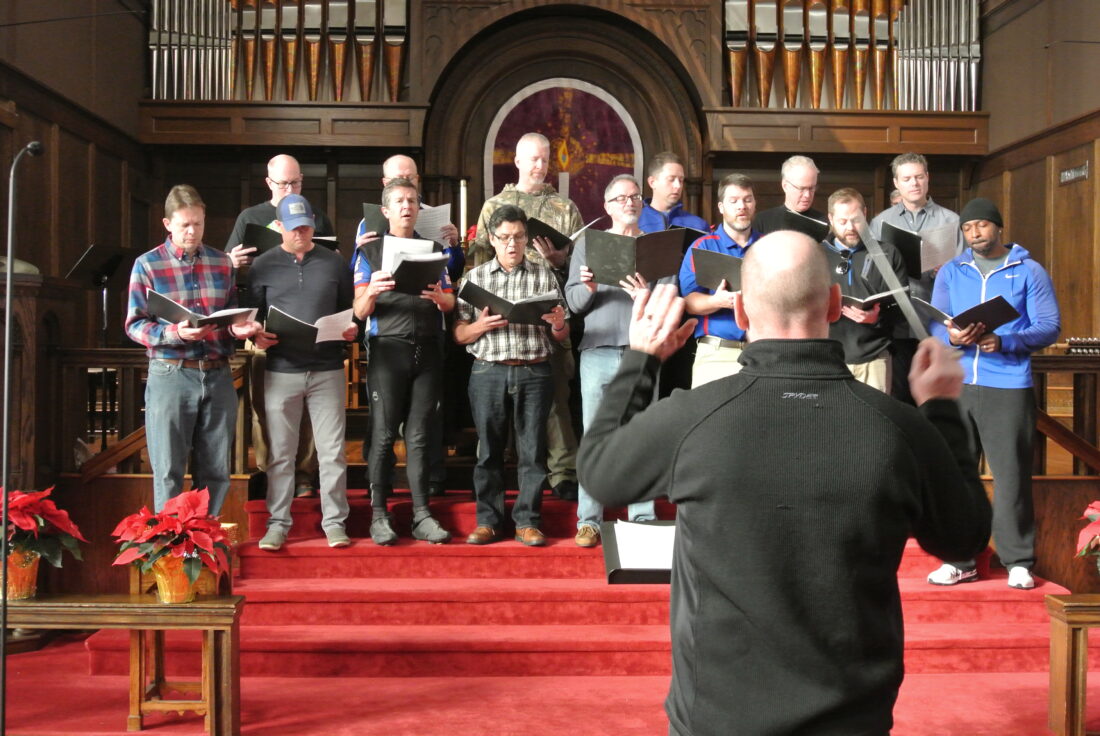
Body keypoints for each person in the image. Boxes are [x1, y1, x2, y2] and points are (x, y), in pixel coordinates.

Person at [578, 232, 991, 736]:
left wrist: (642, 360)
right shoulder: (899, 428)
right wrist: (942, 410)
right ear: (836, 304)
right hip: (852, 717)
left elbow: (599, 471)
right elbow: (963, 538)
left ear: (743, 314)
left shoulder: (692, 418)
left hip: (718, 716)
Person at [926, 198, 1060, 590]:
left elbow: (1049, 326)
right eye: (968, 229)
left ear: (998, 227)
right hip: (959, 382)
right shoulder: (951, 271)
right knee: (957, 475)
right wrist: (950, 334)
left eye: (982, 226)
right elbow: (937, 323)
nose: (975, 234)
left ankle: (1018, 560)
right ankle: (959, 559)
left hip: (1008, 384)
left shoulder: (1028, 270)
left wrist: (1007, 341)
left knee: (1012, 475)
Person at [125, 184, 261, 514]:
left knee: (215, 470)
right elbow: (134, 324)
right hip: (172, 373)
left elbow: (227, 315)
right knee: (169, 471)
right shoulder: (148, 265)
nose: (192, 231)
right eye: (184, 224)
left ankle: (205, 543)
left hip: (217, 373)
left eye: (198, 224)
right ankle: (171, 551)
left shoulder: (220, 262)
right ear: (167, 223)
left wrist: (237, 328)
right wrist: (175, 332)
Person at [470, 132, 583, 501]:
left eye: (545, 159)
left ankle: (562, 471)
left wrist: (560, 263)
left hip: (550, 311)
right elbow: (477, 263)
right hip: (502, 318)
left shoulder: (564, 208)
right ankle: (506, 471)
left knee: (555, 397)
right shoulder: (494, 205)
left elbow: (581, 264)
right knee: (500, 402)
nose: (539, 166)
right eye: (532, 159)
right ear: (516, 161)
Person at [247, 194, 358, 551]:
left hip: (326, 368)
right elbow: (251, 316)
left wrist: (350, 328)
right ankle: (278, 523)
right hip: (281, 369)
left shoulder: (333, 263)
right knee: (281, 453)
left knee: (332, 452)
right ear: (278, 226)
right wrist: (257, 335)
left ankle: (334, 522)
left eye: (307, 226)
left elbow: (347, 311)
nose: (301, 233)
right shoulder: (262, 265)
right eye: (294, 228)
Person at [454, 205, 569, 546]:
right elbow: (458, 335)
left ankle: (528, 522)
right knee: (488, 450)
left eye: (519, 237)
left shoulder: (544, 275)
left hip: (534, 370)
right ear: (492, 239)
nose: (512, 244)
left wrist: (560, 324)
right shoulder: (475, 279)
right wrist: (479, 326)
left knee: (533, 451)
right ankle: (488, 521)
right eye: (505, 238)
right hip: (488, 370)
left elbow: (562, 335)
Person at [354, 154, 465, 497]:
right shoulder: (369, 249)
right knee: (385, 430)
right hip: (388, 345)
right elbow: (359, 311)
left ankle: (423, 505)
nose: (407, 206)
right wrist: (371, 291)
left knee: (420, 431)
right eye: (399, 201)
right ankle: (379, 501)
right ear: (386, 209)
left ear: (419, 207)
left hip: (427, 343)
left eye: (412, 201)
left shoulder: (434, 249)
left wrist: (439, 296)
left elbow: (449, 302)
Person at [226, 154, 334, 498]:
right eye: (283, 184)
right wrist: (233, 262)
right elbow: (228, 266)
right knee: (265, 405)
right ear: (268, 183)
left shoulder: (318, 217)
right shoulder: (251, 217)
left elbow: (331, 264)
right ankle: (271, 470)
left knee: (309, 407)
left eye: (296, 183)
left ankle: (303, 474)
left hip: (309, 320)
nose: (290, 189)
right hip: (264, 322)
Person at [564, 174, 657, 548]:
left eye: (635, 197)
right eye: (620, 198)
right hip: (598, 349)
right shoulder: (588, 245)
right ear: (606, 207)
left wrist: (646, 297)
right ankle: (589, 520)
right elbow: (572, 303)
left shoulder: (654, 247)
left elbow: (670, 299)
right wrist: (587, 288)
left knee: (642, 436)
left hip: (641, 350)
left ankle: (643, 516)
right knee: (595, 436)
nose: (629, 203)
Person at [871, 152, 965, 403]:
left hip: (937, 322)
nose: (914, 183)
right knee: (900, 398)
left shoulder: (952, 221)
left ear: (927, 179)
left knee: (937, 400)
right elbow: (870, 272)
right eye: (907, 178)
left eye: (919, 177)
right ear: (896, 183)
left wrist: (948, 270)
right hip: (898, 323)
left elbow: (966, 274)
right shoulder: (881, 223)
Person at [678, 173, 761, 387]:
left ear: (754, 204)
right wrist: (719, 302)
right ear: (721, 207)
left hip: (762, 353)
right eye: (733, 201)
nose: (741, 206)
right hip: (717, 353)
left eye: (747, 199)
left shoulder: (769, 245)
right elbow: (689, 302)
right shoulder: (702, 246)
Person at [823, 187, 907, 392]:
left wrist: (876, 318)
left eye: (856, 219)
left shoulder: (887, 253)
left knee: (874, 422)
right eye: (843, 222)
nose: (851, 227)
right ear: (831, 219)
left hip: (875, 357)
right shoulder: (815, 254)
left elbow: (903, 310)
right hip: (828, 359)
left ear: (865, 214)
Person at [752, 155, 827, 234]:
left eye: (811, 188)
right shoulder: (761, 222)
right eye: (801, 188)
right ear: (785, 186)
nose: (807, 195)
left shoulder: (825, 223)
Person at [638, 151, 709, 234]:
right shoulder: (634, 222)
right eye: (671, 179)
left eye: (681, 180)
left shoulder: (699, 226)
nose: (678, 185)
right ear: (652, 182)